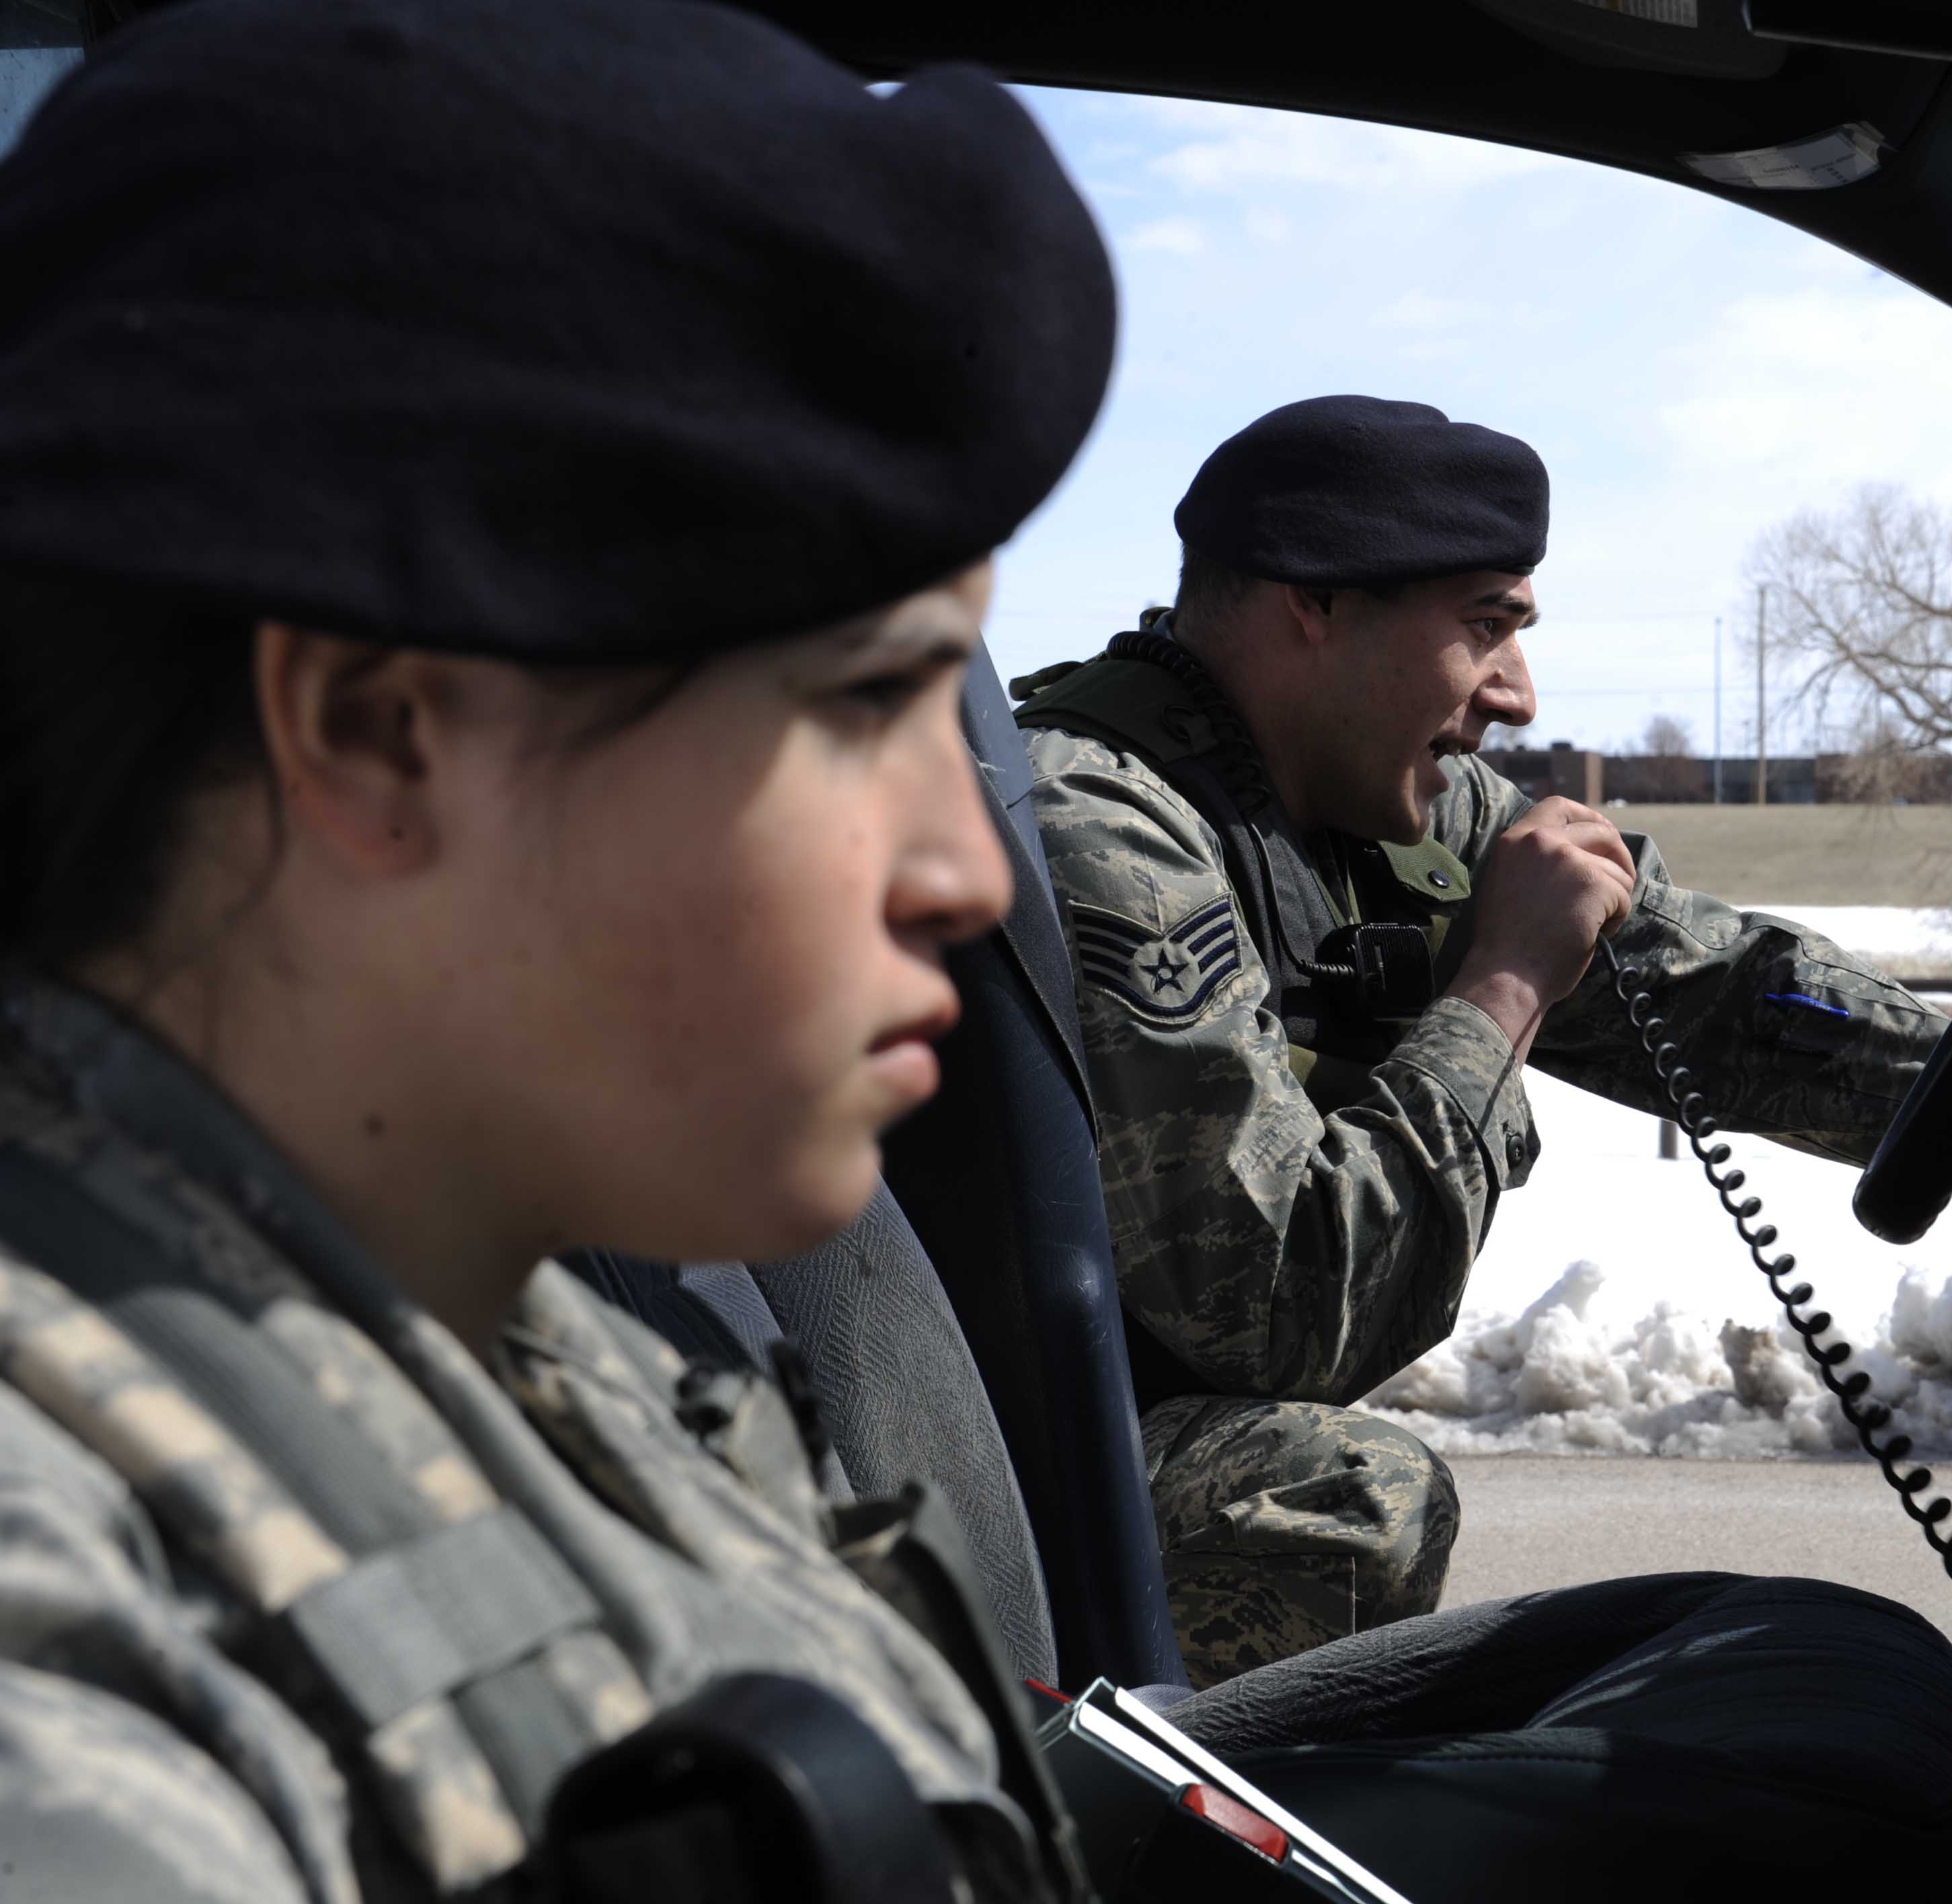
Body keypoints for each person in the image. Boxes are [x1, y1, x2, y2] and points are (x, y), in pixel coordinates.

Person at [0, 1, 1118, 1893]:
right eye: (865, 702)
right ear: (375, 734)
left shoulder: (504, 1339)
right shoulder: (71, 1640)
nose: (971, 870)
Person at [1017, 395, 1952, 1682]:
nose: (1518, 694)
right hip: (938, 1436)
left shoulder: (1370, 807)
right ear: (1312, 603)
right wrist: (1503, 986)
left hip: (1091, 1409)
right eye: (1484, 626)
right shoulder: (1104, 833)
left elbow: (1730, 998)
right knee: (1334, 1501)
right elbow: (1279, 1311)